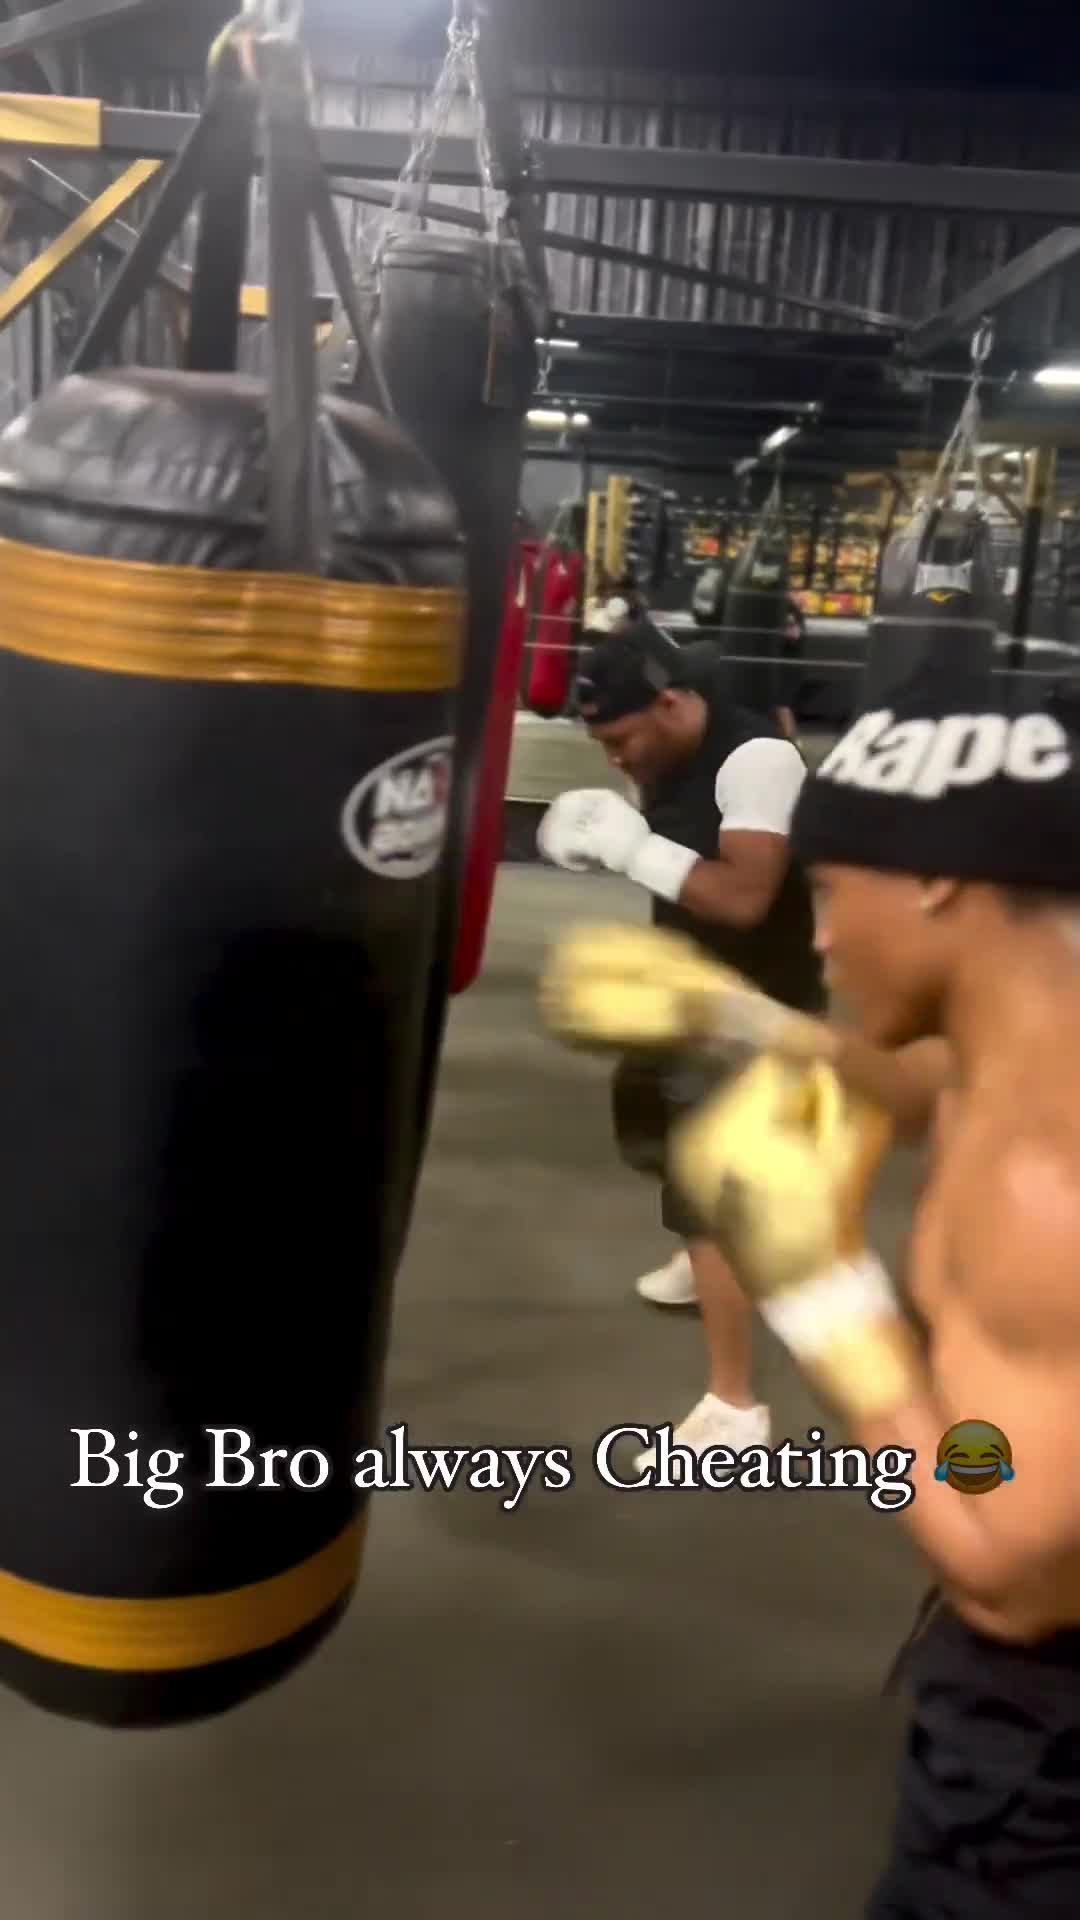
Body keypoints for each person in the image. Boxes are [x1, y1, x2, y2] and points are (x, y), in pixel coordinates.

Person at [666, 679, 1080, 1915]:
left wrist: (822, 1297)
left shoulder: (1044, 1191)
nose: (824, 937)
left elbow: (1001, 1560)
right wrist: (731, 1017)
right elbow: (921, 1085)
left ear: (939, 881)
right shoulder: (1027, 1033)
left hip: (1043, 1740)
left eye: (837, 890)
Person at [536, 614, 826, 1465]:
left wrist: (633, 850)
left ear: (670, 704)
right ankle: (708, 1265)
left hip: (759, 1005)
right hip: (689, 988)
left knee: (710, 1189)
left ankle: (735, 1405)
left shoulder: (757, 760)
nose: (616, 759)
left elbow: (743, 898)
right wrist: (620, 835)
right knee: (648, 1113)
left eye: (621, 740)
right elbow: (677, 855)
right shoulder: (667, 751)